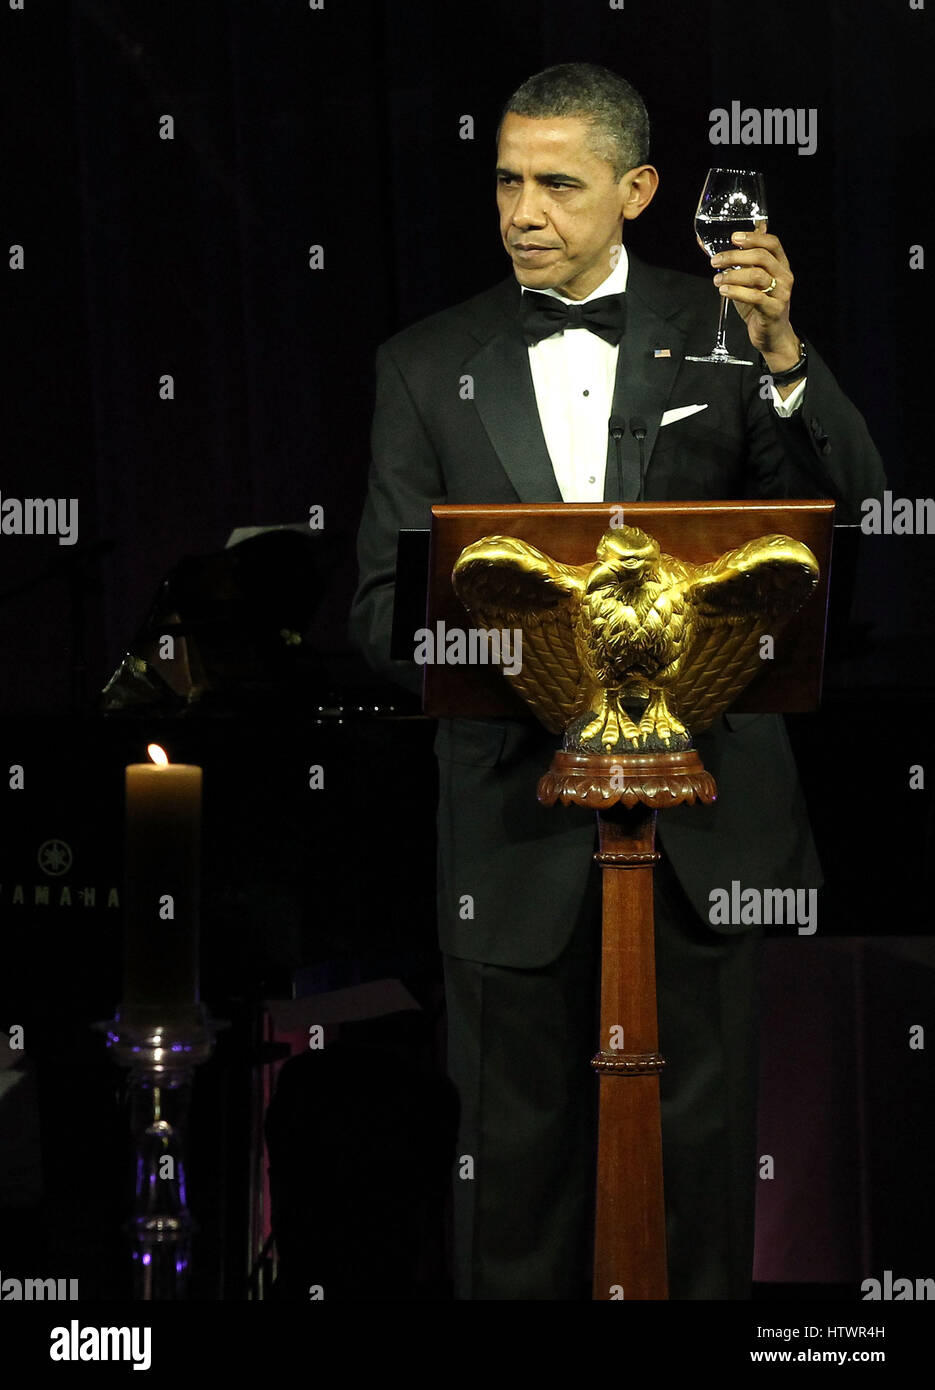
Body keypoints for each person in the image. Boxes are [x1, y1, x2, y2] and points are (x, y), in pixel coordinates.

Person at [349, 62, 885, 1299]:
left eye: (556, 184)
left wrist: (785, 355)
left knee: (701, 1185)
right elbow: (382, 614)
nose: (521, 212)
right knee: (516, 1188)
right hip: (510, 839)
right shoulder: (424, 365)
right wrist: (554, 677)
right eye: (504, 181)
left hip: (706, 831)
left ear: (636, 189)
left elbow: (849, 516)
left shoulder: (726, 334)